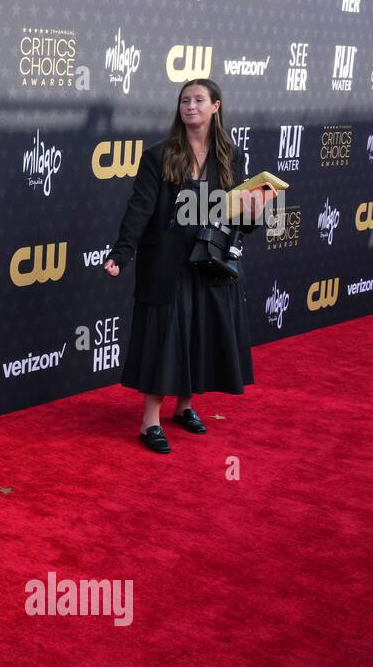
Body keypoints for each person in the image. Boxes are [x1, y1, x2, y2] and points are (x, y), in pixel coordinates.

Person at [103, 78, 274, 454]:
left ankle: (185, 407)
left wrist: (254, 213)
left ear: (216, 106)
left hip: (210, 260)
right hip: (167, 262)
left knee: (199, 332)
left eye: (199, 100)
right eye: (184, 100)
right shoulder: (159, 156)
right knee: (165, 338)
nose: (190, 106)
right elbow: (140, 208)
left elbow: (237, 218)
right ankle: (149, 421)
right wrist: (122, 252)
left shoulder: (232, 156)